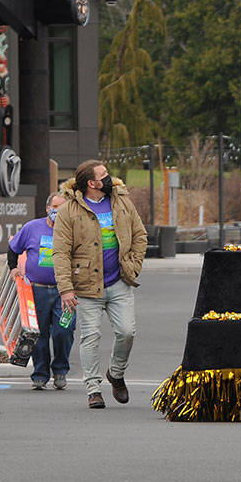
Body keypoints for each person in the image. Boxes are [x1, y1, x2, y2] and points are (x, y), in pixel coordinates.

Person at [53, 160, 147, 409]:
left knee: (127, 332)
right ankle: (93, 389)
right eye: (103, 175)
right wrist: (66, 289)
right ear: (91, 183)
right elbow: (60, 253)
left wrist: (133, 266)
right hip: (85, 287)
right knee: (90, 337)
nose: (109, 177)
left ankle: (115, 374)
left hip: (119, 282)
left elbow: (140, 235)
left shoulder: (121, 201)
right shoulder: (68, 211)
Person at [7, 192, 74, 390]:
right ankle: (40, 374)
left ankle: (60, 371)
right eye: (55, 207)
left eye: (63, 208)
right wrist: (13, 268)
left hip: (65, 292)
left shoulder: (73, 230)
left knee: (64, 331)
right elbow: (13, 248)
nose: (58, 212)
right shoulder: (32, 228)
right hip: (37, 291)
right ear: (47, 208)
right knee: (39, 334)